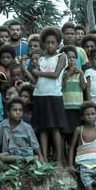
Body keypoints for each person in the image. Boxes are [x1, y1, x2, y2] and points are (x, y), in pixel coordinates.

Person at [27, 26, 67, 164]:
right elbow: (35, 81)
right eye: (47, 42)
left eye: (53, 42)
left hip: (54, 96)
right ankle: (43, 159)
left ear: (58, 43)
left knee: (55, 128)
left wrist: (38, 73)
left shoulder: (61, 56)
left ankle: (59, 160)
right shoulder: (41, 59)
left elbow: (56, 74)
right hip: (39, 95)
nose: (50, 45)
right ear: (43, 43)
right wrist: (25, 69)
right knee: (42, 129)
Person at [60, 38, 85, 161]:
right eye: (68, 58)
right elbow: (61, 87)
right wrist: (67, 74)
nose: (71, 60)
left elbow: (84, 87)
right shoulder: (62, 73)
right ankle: (63, 155)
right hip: (65, 106)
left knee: (75, 132)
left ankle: (75, 155)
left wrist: (80, 73)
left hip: (77, 106)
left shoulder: (79, 72)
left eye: (74, 57)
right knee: (65, 132)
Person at [0, 98, 41, 163]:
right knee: (0, 157)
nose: (18, 112)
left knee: (5, 158)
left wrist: (41, 157)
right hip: (9, 154)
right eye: (15, 110)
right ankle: (29, 159)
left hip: (24, 153)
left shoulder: (27, 127)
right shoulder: (3, 125)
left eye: (20, 110)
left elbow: (35, 145)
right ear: (8, 112)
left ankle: (26, 159)